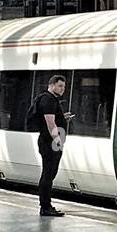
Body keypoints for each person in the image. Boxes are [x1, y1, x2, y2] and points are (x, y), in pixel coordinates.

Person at [30, 73, 73, 217]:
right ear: (52, 85)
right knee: (48, 174)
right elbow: (50, 123)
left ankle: (46, 205)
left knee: (49, 173)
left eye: (64, 86)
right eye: (60, 86)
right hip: (49, 143)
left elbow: (52, 119)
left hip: (47, 141)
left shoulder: (50, 100)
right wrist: (57, 140)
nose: (63, 89)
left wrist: (63, 117)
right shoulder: (48, 100)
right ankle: (45, 206)